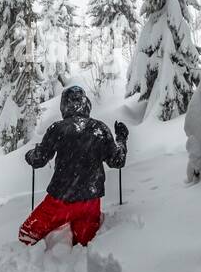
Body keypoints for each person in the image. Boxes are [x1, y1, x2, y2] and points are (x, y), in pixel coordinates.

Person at [19, 85, 127, 248]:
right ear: (86, 104)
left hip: (60, 201)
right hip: (91, 202)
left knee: (26, 236)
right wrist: (121, 139)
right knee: (84, 243)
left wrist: (30, 154)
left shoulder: (58, 129)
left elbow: (38, 160)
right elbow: (117, 161)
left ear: (64, 105)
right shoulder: (100, 129)